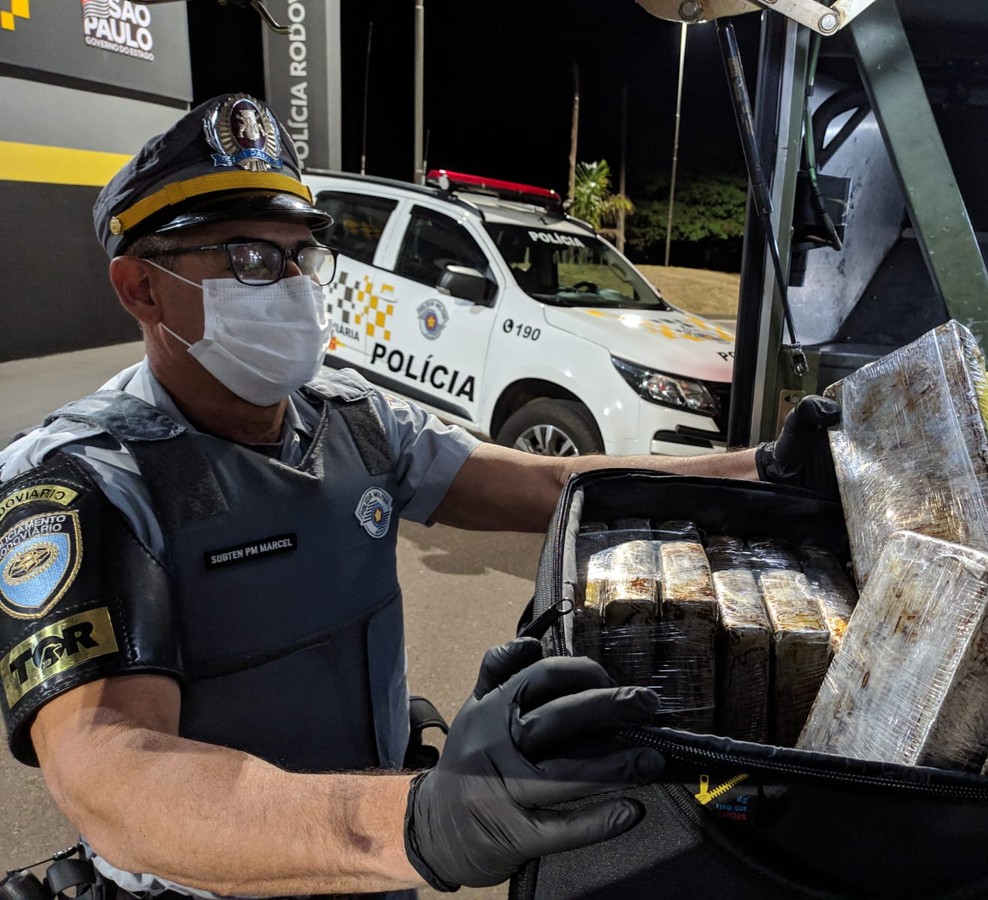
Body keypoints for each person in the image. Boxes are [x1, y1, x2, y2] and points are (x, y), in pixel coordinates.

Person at [0, 93, 839, 897]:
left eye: (300, 256)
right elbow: (109, 770)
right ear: (140, 288)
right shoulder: (86, 480)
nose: (290, 284)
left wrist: (762, 469)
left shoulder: (350, 420)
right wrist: (411, 824)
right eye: (251, 257)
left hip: (375, 872)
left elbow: (546, 484)